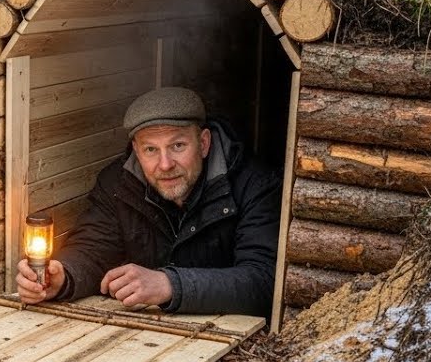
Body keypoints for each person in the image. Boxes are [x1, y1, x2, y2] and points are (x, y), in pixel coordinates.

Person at [15, 86, 280, 317]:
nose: (164, 165)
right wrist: (63, 278)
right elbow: (92, 249)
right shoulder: (117, 183)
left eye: (177, 146)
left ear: (204, 143)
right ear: (136, 150)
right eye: (151, 149)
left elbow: (264, 282)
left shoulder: (254, 184)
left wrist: (169, 285)